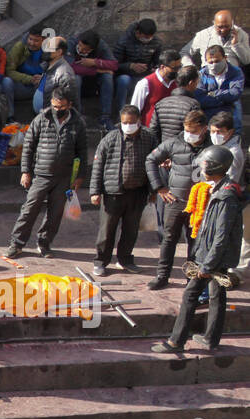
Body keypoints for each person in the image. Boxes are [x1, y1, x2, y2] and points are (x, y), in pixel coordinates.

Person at [153, 145, 243, 355]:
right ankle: (210, 339)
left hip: (212, 258)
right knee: (217, 295)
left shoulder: (226, 198)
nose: (201, 168)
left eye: (204, 165)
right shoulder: (219, 189)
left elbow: (221, 236)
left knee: (190, 295)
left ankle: (176, 341)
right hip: (213, 255)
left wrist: (207, 265)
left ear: (214, 167)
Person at [4, 83, 88, 260]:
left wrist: (80, 176)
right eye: (55, 106)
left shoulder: (78, 123)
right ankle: (17, 243)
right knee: (29, 209)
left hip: (64, 176)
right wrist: (25, 171)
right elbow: (28, 147)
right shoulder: (41, 119)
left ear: (69, 105)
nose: (57, 110)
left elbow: (82, 151)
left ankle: (44, 243)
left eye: (61, 107)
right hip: (41, 174)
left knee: (55, 213)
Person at [146, 109, 211, 289]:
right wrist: (159, 187)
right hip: (175, 200)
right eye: (187, 130)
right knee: (168, 239)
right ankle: (162, 276)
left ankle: (192, 279)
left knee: (195, 242)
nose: (189, 134)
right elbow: (150, 160)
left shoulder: (211, 147)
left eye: (194, 131)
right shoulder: (174, 143)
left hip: (199, 204)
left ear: (204, 129)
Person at [90, 105, 157, 276]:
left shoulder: (148, 138)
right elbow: (98, 165)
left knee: (131, 229)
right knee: (107, 230)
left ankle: (125, 259)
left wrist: (154, 189)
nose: (128, 125)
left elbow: (154, 164)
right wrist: (95, 191)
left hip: (138, 192)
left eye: (131, 122)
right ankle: (101, 261)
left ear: (139, 121)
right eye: (124, 122)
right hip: (113, 192)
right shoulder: (110, 138)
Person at [71, 30, 118, 131]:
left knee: (107, 76)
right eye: (80, 47)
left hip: (93, 81)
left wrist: (95, 62)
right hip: (78, 79)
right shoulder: (71, 42)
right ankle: (76, 115)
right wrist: (97, 70)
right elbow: (69, 67)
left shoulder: (101, 45)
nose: (81, 50)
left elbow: (114, 64)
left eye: (85, 50)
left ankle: (105, 117)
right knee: (76, 78)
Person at [113, 18, 162, 113]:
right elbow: (115, 64)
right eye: (145, 37)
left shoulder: (156, 43)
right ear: (138, 33)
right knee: (123, 80)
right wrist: (130, 66)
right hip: (127, 75)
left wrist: (153, 68)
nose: (147, 40)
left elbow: (157, 61)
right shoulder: (124, 41)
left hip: (145, 75)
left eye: (150, 38)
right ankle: (121, 113)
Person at [195, 46, 244, 134]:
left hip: (230, 114)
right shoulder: (202, 75)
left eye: (217, 61)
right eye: (211, 62)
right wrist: (224, 99)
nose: (214, 64)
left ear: (225, 58)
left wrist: (214, 94)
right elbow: (200, 99)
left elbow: (235, 93)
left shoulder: (235, 72)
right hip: (210, 117)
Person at [183, 10, 250, 72]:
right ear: (214, 24)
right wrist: (189, 66)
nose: (223, 30)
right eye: (220, 27)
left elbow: (247, 60)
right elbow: (184, 52)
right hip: (209, 75)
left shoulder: (241, 34)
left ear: (232, 23)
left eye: (227, 26)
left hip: (231, 76)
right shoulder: (203, 35)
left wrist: (236, 45)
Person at [151, 66, 204, 143]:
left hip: (164, 149)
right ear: (191, 83)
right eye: (196, 83)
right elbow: (196, 131)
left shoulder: (160, 104)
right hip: (184, 150)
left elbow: (153, 130)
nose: (196, 86)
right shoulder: (193, 105)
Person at [132, 50, 184, 126]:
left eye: (179, 67)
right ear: (162, 67)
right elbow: (135, 111)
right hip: (149, 130)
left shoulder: (179, 83)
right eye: (174, 68)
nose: (178, 71)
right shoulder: (145, 84)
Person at [34, 37, 79, 114]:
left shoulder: (64, 73)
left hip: (51, 117)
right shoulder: (48, 65)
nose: (45, 50)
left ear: (59, 52)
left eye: (49, 48)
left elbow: (71, 100)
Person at [5, 29, 46, 111]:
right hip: (22, 85)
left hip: (41, 87)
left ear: (44, 40)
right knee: (6, 81)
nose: (32, 43)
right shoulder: (19, 47)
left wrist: (43, 79)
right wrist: (30, 79)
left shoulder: (50, 51)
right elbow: (9, 71)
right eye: (30, 39)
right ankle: (10, 116)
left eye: (36, 41)